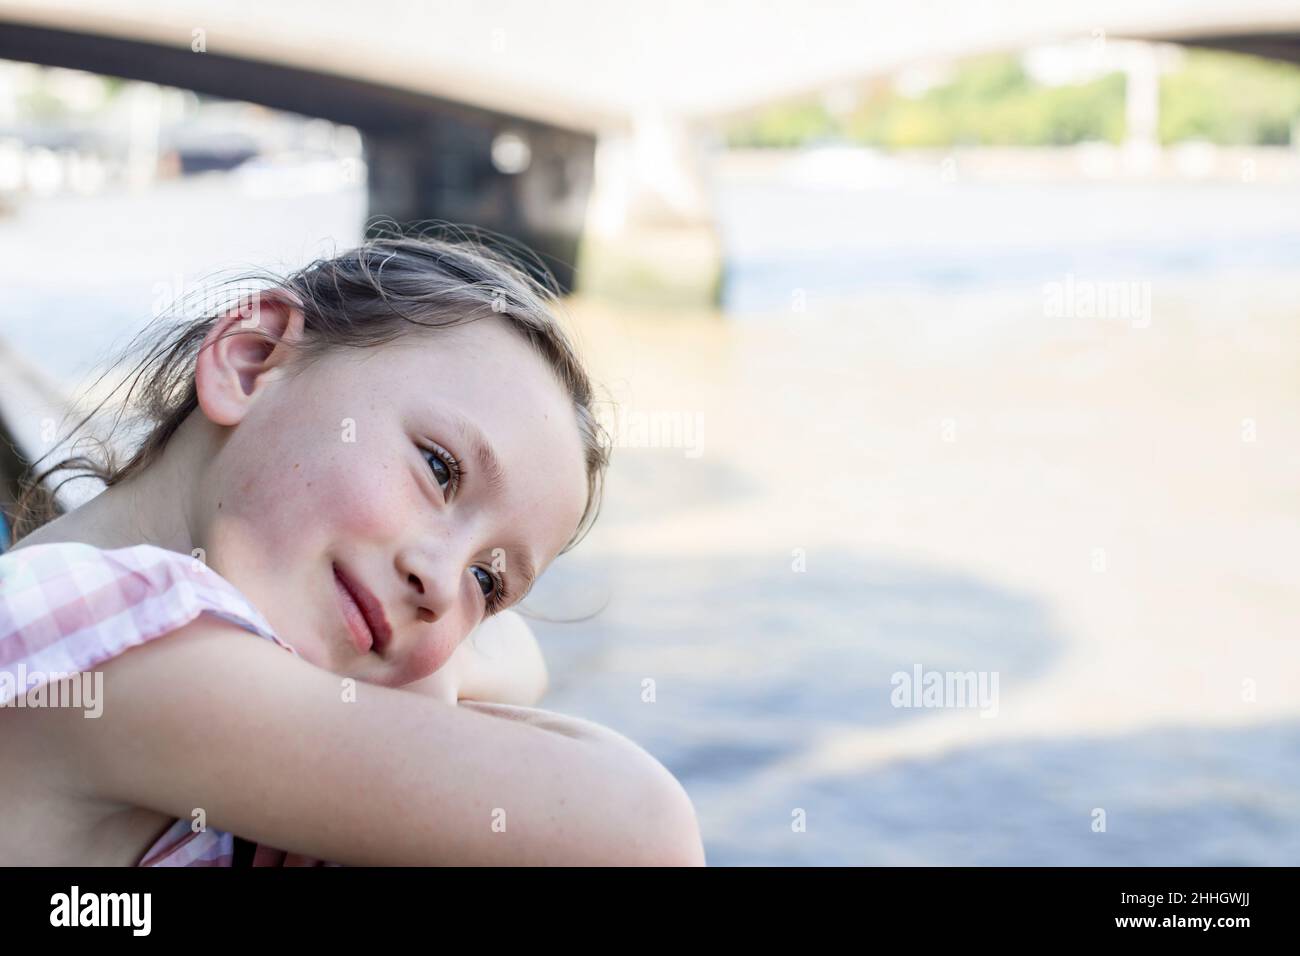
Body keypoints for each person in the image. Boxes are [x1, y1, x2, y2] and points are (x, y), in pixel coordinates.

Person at [0, 229, 705, 866]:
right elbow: (642, 830)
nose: (439, 583)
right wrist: (428, 692)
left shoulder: (80, 601)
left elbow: (521, 652)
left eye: (487, 584)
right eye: (438, 469)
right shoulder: (120, 641)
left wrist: (426, 680)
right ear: (252, 361)